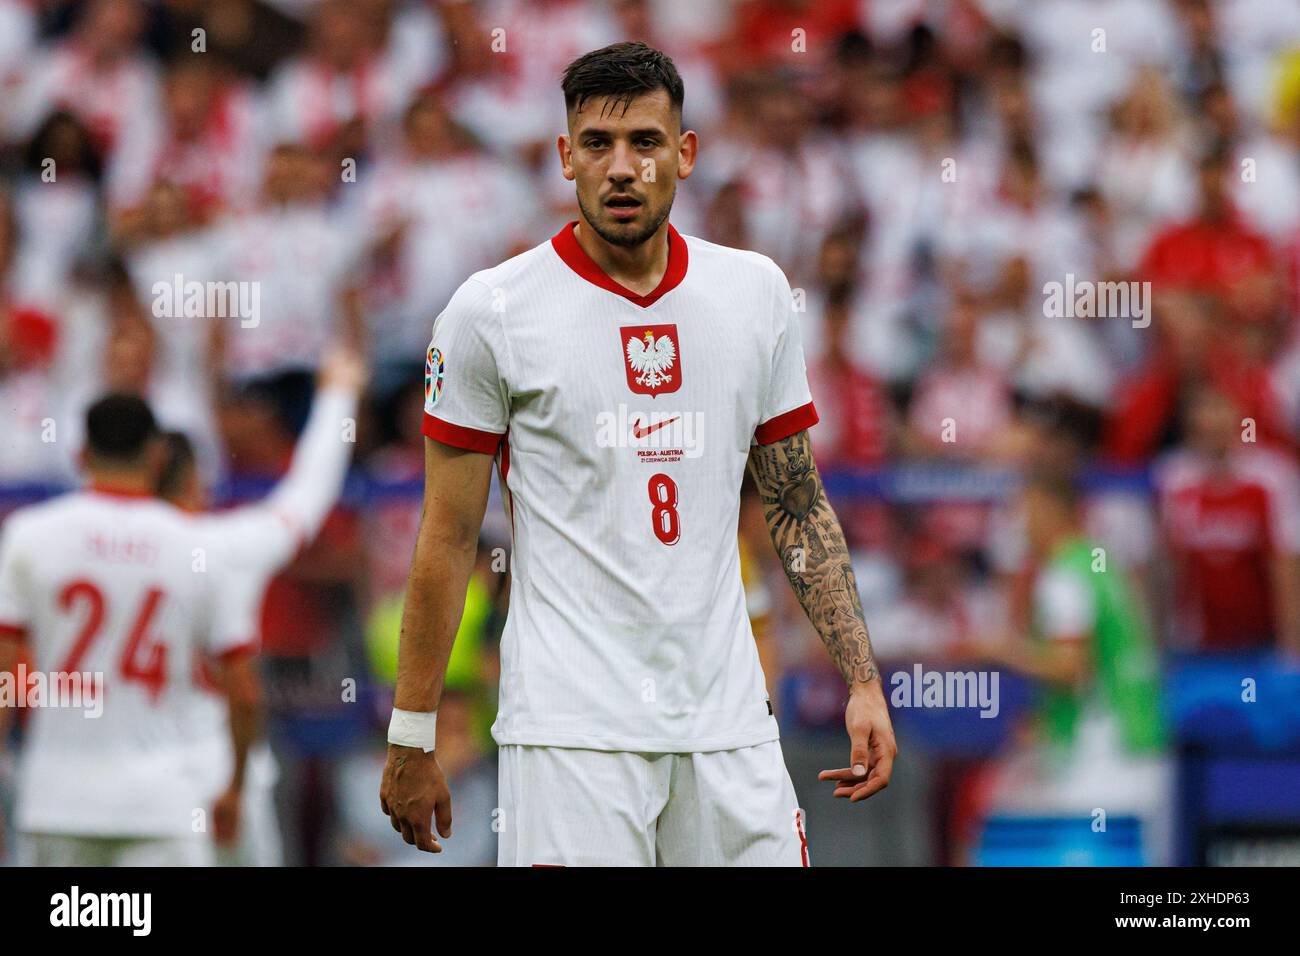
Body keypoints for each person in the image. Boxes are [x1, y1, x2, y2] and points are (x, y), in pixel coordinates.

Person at [380, 41, 896, 867]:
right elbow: (445, 536)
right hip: (571, 735)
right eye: (597, 144)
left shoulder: (755, 293)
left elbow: (797, 500)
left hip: (728, 727)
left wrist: (861, 680)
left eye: (646, 143)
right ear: (564, 157)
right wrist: (412, 731)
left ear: (684, 154)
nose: (622, 168)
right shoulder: (492, 312)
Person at [0, 394, 256, 866]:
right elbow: (242, 692)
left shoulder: (29, 535)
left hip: (56, 800)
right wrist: (236, 787)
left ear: (80, 455)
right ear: (158, 455)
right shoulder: (197, 545)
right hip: (163, 803)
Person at [155, 345, 366, 865]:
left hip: (128, 783)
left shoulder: (59, 542)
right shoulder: (227, 545)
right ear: (190, 482)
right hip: (219, 770)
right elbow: (309, 495)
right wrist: (339, 392)